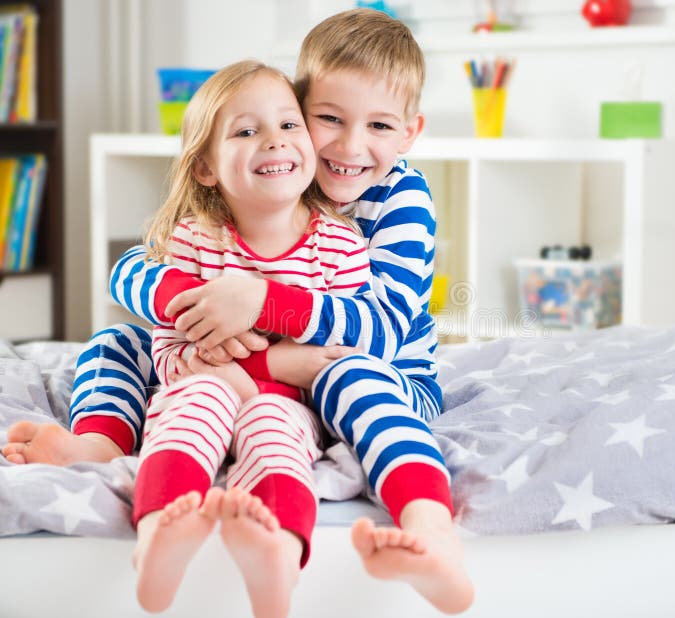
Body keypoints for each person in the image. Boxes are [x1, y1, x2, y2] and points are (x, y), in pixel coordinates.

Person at [3, 8, 474, 614]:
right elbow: (130, 272)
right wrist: (190, 305)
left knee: (348, 380)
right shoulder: (280, 173)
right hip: (222, 366)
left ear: (409, 132)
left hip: (369, 369)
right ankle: (99, 444)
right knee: (117, 343)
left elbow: (379, 328)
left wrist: (260, 307)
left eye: (380, 125)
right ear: (301, 114)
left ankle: (432, 531)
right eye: (328, 119)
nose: (350, 147)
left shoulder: (398, 201)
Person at [130, 59, 370, 616]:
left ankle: (279, 557)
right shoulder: (194, 241)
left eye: (289, 125)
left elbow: (342, 353)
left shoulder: (340, 246)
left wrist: (245, 374)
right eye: (246, 131)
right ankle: (157, 539)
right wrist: (237, 373)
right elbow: (167, 351)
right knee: (194, 402)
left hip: (290, 408)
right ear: (207, 168)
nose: (274, 141)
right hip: (206, 389)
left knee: (272, 429)